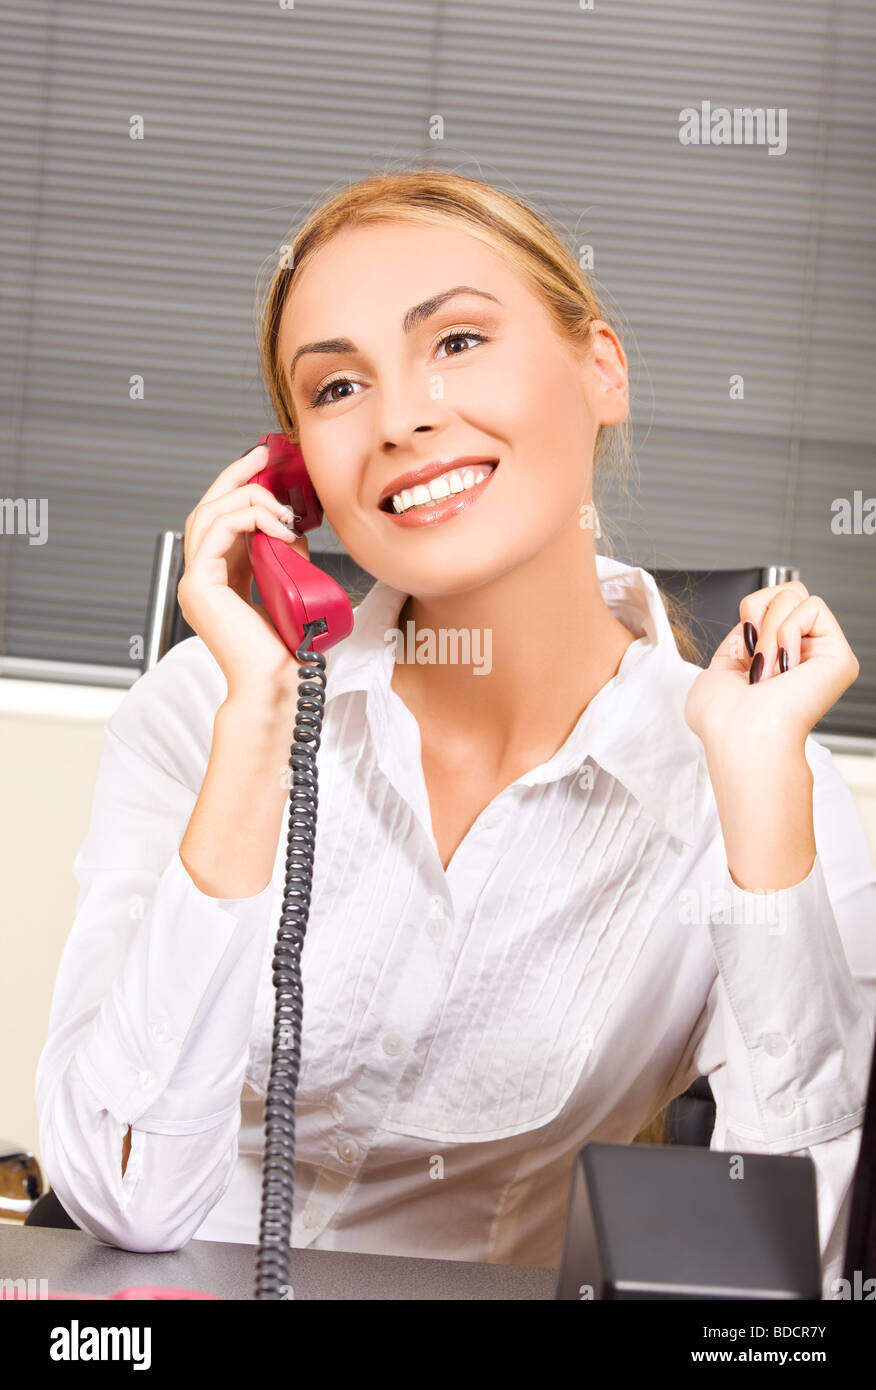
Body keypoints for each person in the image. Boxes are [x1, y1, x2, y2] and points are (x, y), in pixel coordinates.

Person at [35, 170, 876, 1297]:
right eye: (336, 387)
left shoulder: (768, 782)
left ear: (601, 368)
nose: (400, 418)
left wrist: (763, 817)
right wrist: (255, 728)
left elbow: (782, 1275)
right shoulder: (204, 713)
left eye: (459, 341)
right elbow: (120, 1195)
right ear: (297, 479)